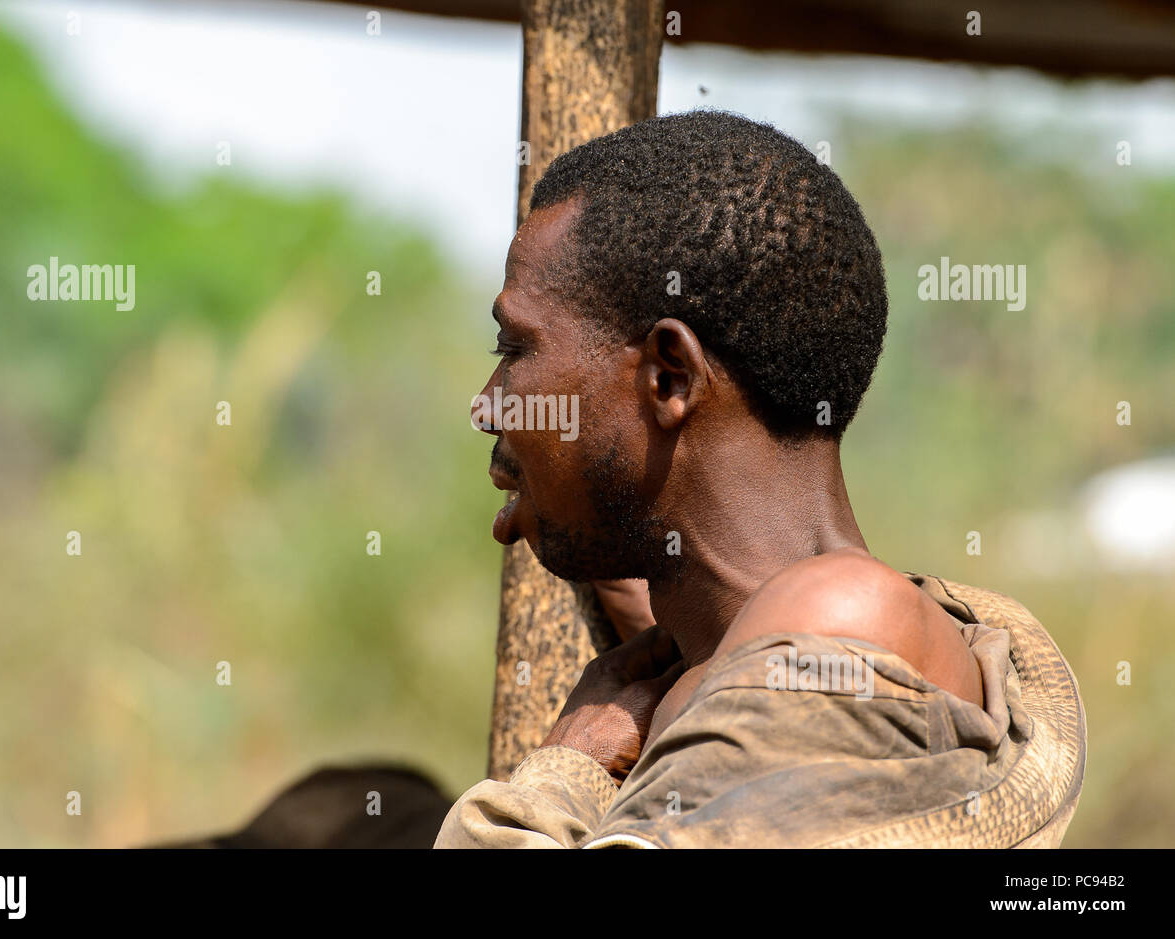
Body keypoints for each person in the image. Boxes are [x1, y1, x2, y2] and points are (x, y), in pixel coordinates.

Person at [436, 110, 1086, 849]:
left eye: (515, 346)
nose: (487, 404)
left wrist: (565, 771)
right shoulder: (771, 654)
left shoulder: (841, 620)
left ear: (669, 375)